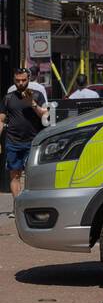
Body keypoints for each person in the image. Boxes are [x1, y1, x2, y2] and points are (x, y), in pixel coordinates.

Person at [1, 68, 50, 204]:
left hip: (33, 141)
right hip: (13, 141)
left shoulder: (37, 95)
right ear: (14, 80)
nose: (21, 83)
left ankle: (30, 204)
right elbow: (1, 119)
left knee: (32, 175)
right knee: (14, 175)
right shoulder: (8, 97)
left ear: (29, 79)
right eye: (18, 80)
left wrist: (33, 104)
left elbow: (45, 116)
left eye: (23, 80)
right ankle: (17, 206)